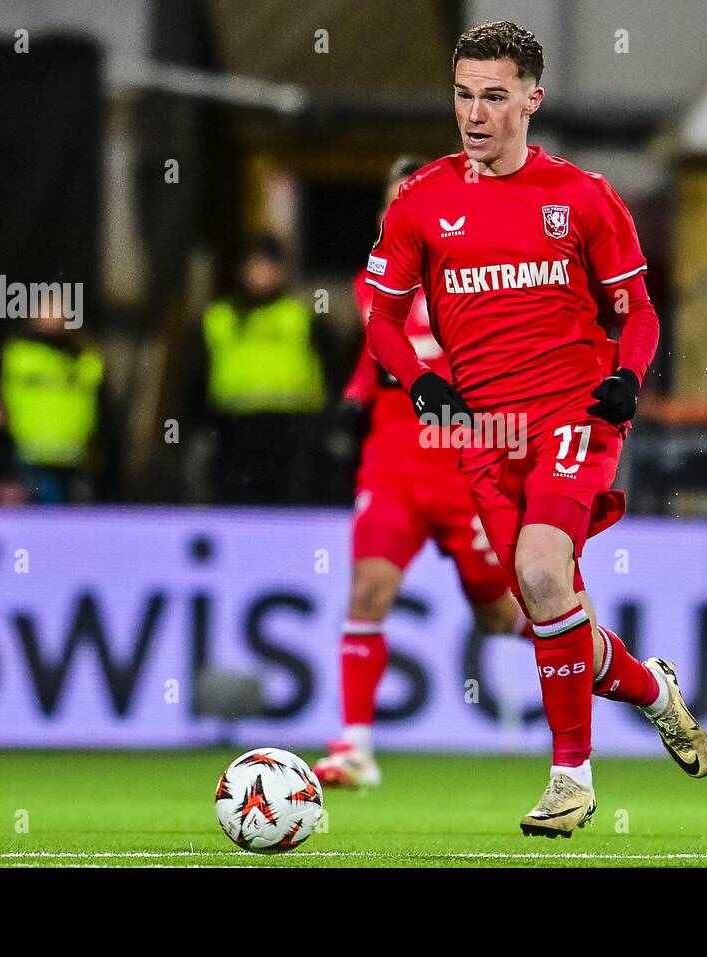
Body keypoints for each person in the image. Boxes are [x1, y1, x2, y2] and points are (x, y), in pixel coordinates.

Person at [364, 20, 707, 837]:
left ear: (532, 99)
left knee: (541, 567)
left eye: (493, 97)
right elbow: (379, 318)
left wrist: (628, 375)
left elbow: (639, 311)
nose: (475, 115)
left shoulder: (583, 198)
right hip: (484, 438)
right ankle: (655, 690)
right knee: (551, 612)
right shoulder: (424, 203)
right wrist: (421, 382)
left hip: (572, 416)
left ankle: (570, 779)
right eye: (462, 96)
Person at [313, 157, 528, 789]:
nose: (389, 213)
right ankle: (356, 748)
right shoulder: (369, 283)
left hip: (468, 464)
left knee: (497, 617)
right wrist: (354, 401)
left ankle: (591, 655)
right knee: (367, 592)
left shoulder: (487, 276)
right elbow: (375, 355)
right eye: (386, 202)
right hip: (395, 461)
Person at [195, 235, 329, 503]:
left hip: (291, 431)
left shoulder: (302, 316)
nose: (260, 275)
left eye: (267, 266)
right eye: (254, 266)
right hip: (234, 432)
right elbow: (194, 378)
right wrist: (199, 427)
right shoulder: (219, 318)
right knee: (236, 504)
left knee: (290, 505)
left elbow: (330, 369)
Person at [0, 296, 110, 501]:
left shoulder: (87, 356)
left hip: (75, 460)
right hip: (27, 457)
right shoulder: (17, 351)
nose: (55, 316)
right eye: (49, 309)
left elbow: (103, 410)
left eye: (61, 309)